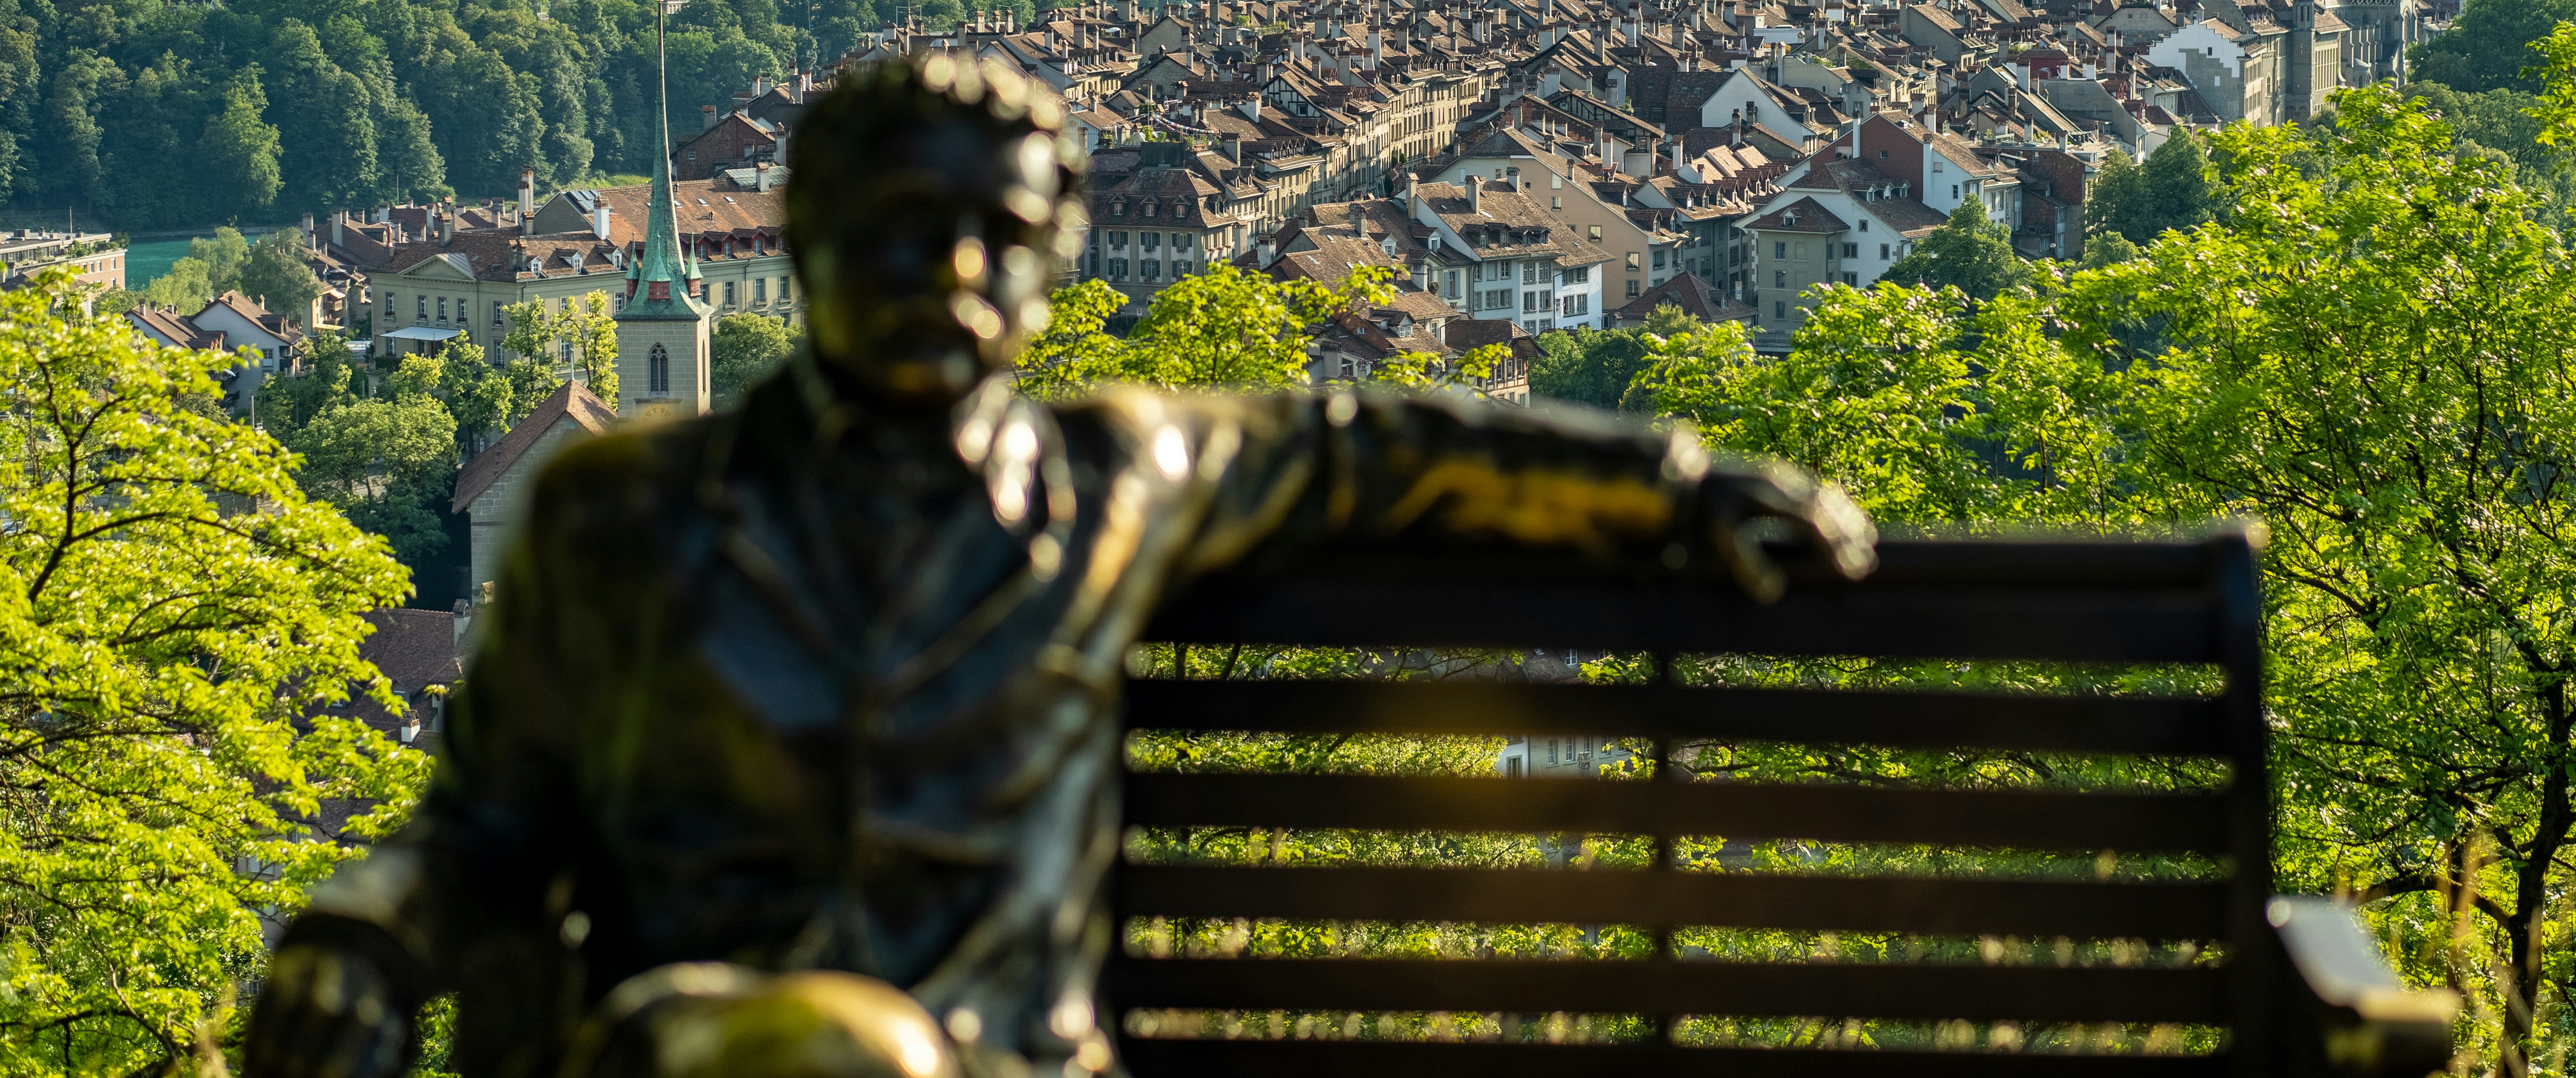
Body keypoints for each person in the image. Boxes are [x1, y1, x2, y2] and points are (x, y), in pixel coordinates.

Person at [246, 54, 1874, 1078]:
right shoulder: (613, 520)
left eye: (997, 242)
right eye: (900, 229)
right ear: (804, 248)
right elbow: (477, 835)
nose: (947, 275)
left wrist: (1679, 482)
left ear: (1041, 282)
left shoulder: (1112, 481)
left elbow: (1383, 446)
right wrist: (362, 931)